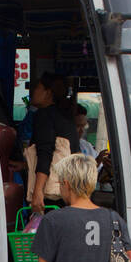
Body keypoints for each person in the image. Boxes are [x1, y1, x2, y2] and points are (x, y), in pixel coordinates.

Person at [27, 73, 79, 216]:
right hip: (67, 190)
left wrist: (38, 191)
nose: (33, 92)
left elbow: (45, 153)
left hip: (50, 194)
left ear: (48, 93)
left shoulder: (44, 115)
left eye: (37, 87)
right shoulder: (65, 117)